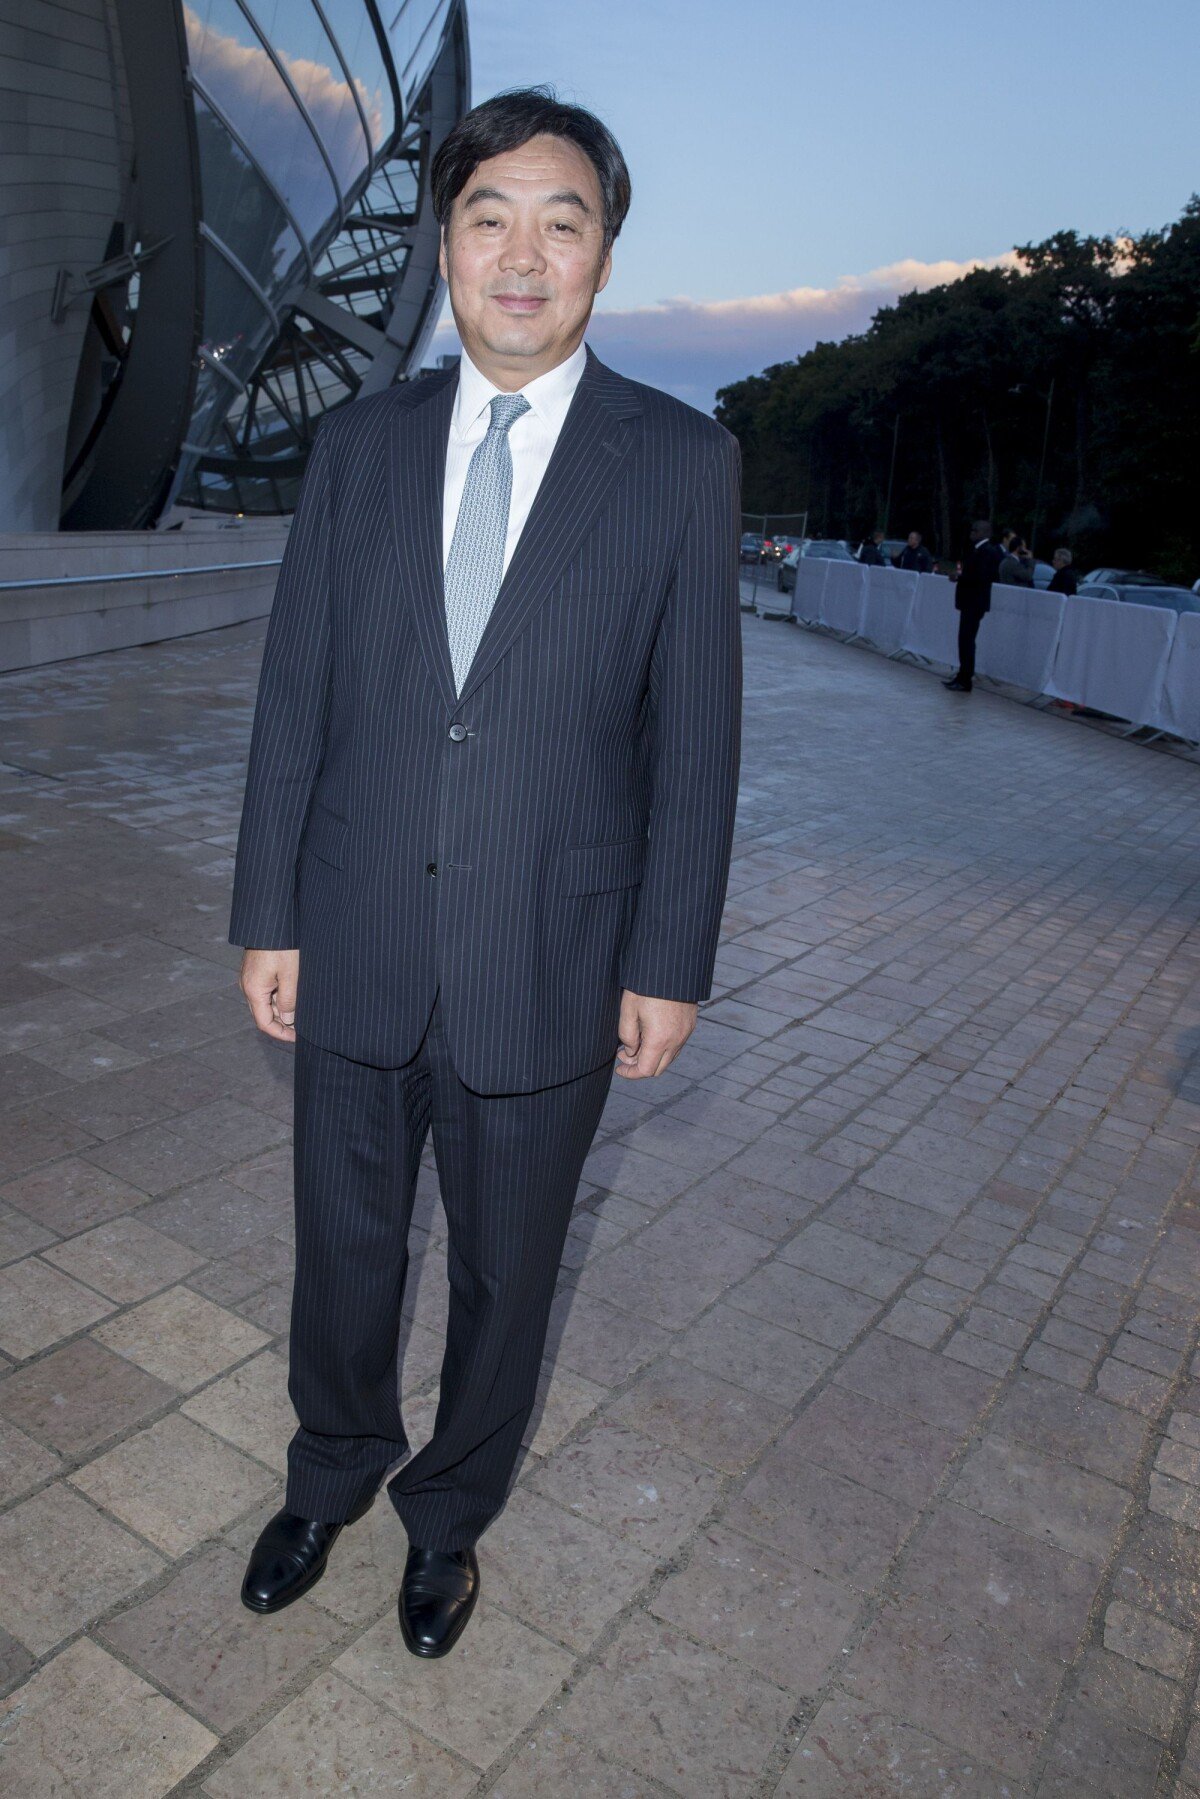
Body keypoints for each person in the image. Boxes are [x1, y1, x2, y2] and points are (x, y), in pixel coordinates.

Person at [226, 87, 742, 1659]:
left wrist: (670, 956)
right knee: (345, 1238)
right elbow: (297, 688)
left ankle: (447, 1518)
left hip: (554, 945)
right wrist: (267, 911)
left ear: (602, 253)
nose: (523, 254)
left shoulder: (679, 459)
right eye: (489, 217)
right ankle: (331, 1468)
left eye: (561, 220)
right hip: (361, 916)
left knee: (512, 1268)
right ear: (444, 244)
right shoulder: (358, 445)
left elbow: (696, 733)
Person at [944, 519, 1004, 693]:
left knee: (967, 640)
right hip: (970, 601)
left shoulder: (987, 552)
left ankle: (965, 679)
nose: (972, 533)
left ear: (985, 533)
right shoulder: (978, 551)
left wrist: (959, 577)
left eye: (975, 530)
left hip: (974, 602)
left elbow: (980, 577)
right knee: (965, 640)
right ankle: (962, 675)